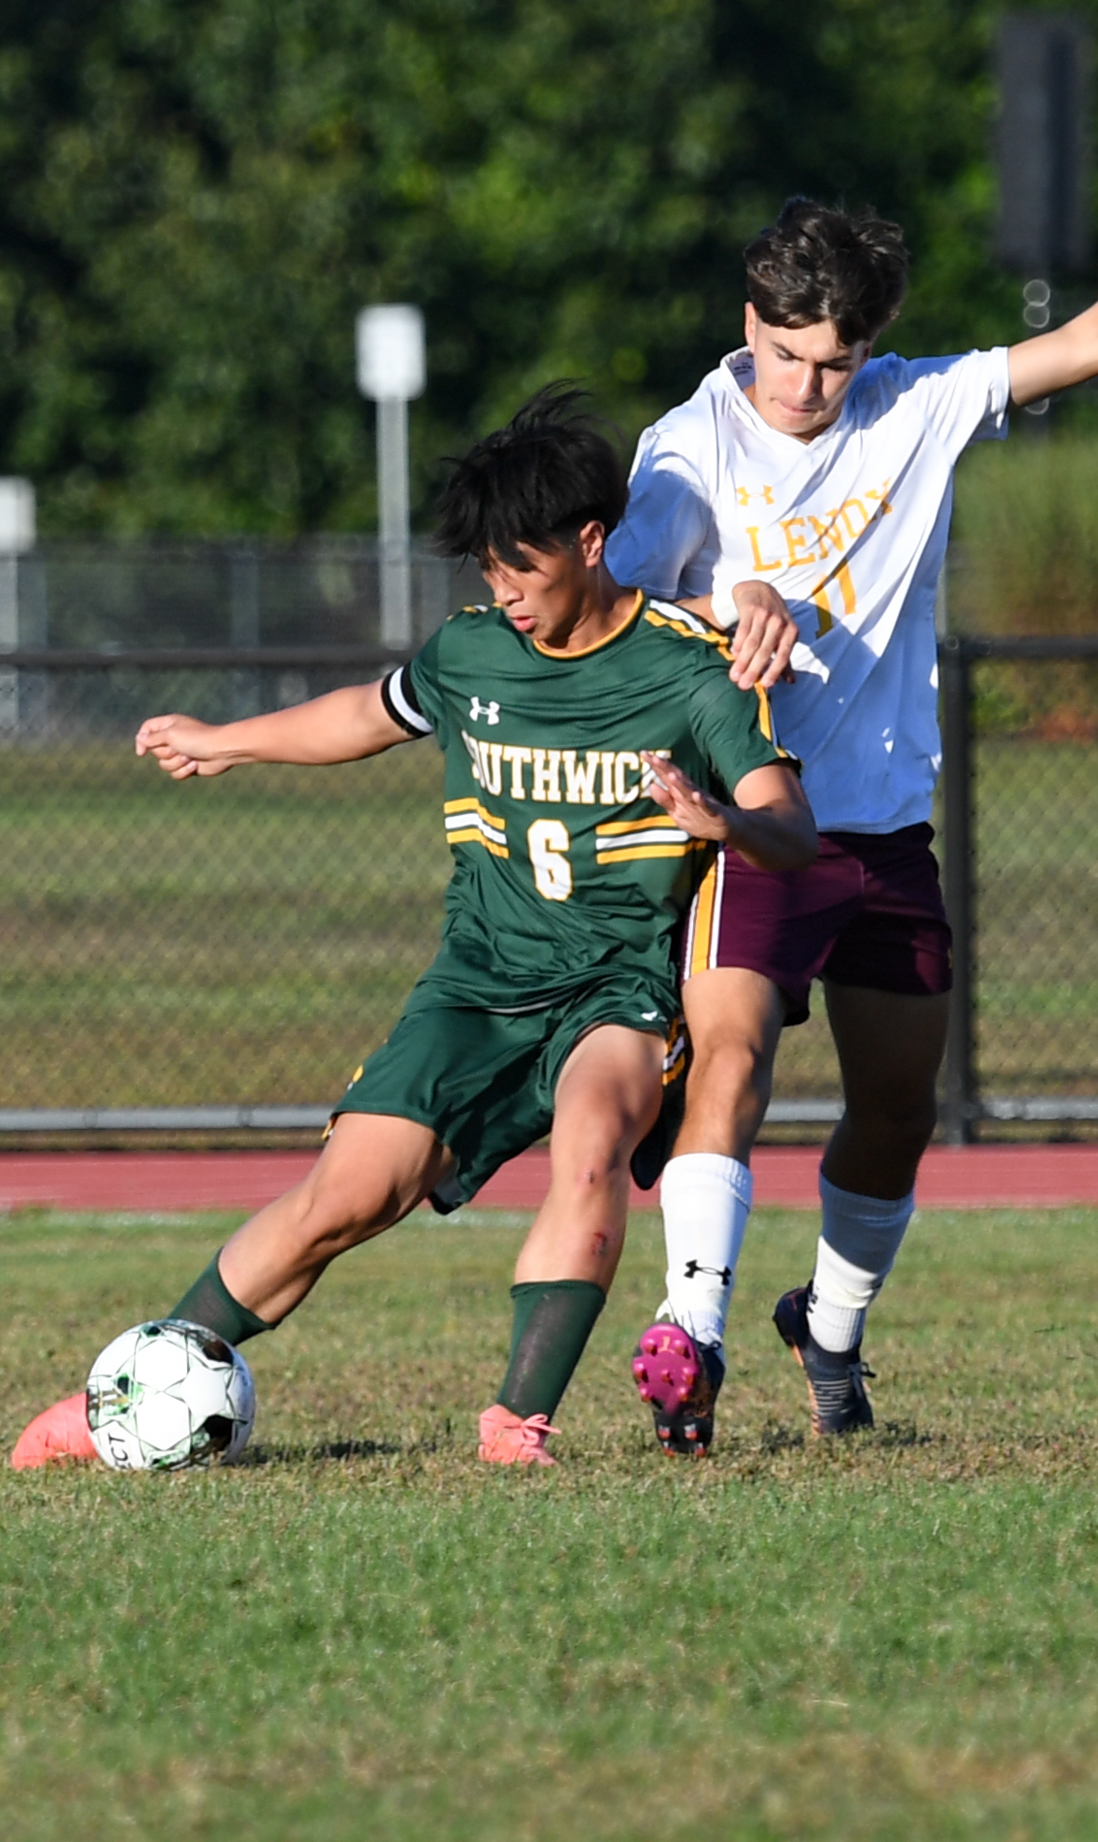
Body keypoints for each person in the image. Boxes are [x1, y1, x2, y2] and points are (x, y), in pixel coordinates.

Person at [608, 150, 1098, 1450]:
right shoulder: (687, 447)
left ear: (868, 346)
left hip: (878, 833)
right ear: (746, 326)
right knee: (736, 1062)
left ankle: (825, 1326)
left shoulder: (914, 405)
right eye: (785, 355)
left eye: (834, 360)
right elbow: (619, 605)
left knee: (893, 1112)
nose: (808, 387)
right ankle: (688, 1334)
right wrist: (729, 604)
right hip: (751, 829)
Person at [11, 387, 815, 1473]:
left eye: (519, 567)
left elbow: (791, 826)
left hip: (613, 993)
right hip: (474, 985)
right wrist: (228, 740)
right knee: (343, 1195)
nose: (503, 592)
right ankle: (119, 1394)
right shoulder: (473, 653)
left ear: (590, 540)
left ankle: (515, 1424)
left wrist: (717, 818)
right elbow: (366, 711)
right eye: (485, 569)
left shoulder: (683, 668)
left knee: (588, 1148)